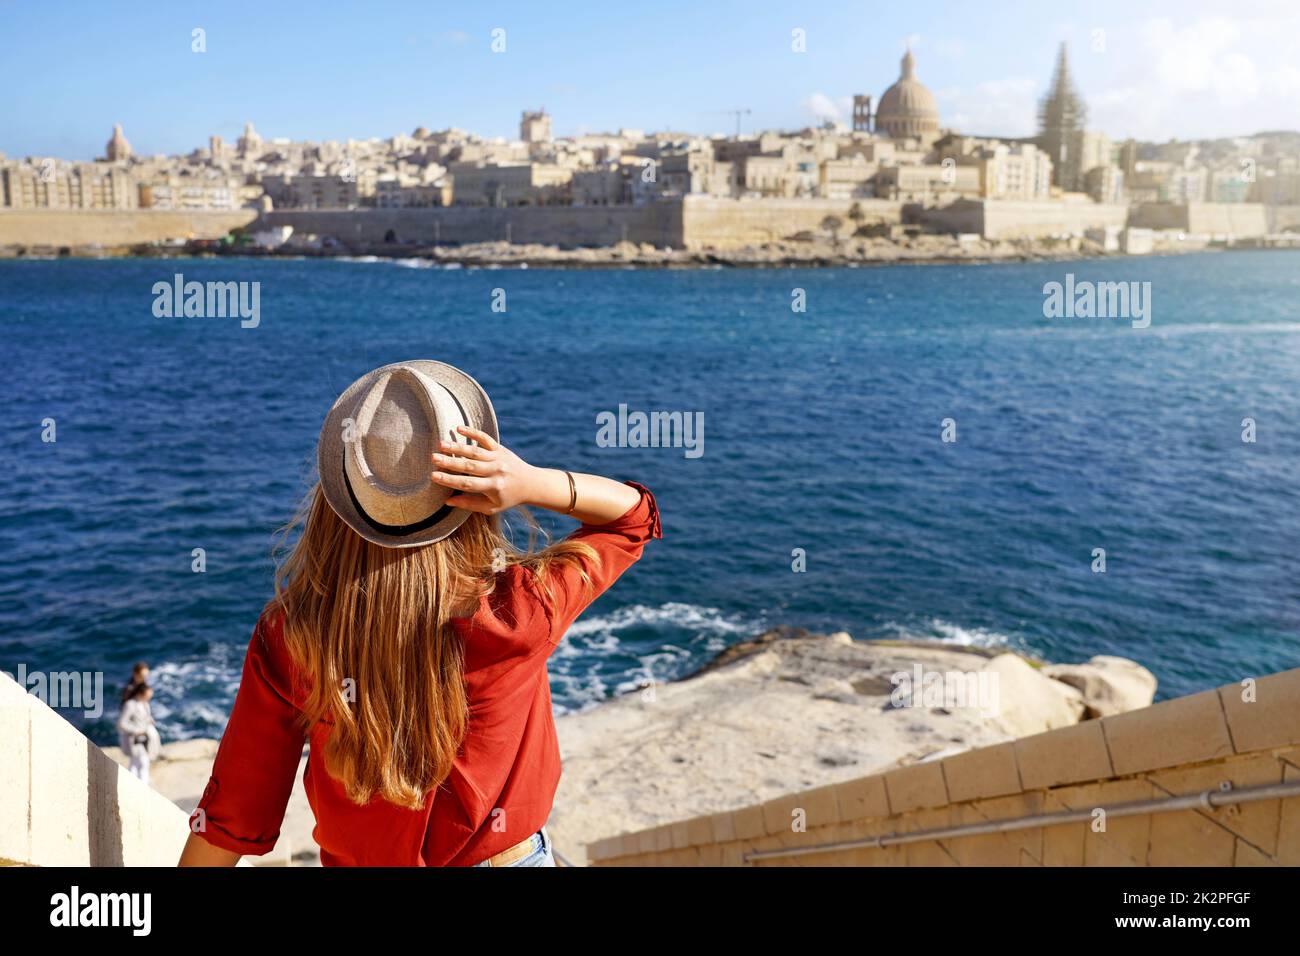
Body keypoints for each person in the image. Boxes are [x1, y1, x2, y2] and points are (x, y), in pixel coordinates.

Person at [178, 360, 661, 866]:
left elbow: (236, 812)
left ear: (336, 499)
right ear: (474, 490)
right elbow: (634, 517)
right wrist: (532, 482)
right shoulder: (520, 609)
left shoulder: (292, 635)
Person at [117, 682, 160, 785]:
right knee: (143, 762)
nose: (149, 698)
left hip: (144, 738)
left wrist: (149, 720)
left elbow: (144, 716)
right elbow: (121, 723)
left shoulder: (144, 703)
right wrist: (135, 730)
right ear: (140, 694)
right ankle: (143, 786)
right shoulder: (130, 705)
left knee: (135, 763)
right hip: (135, 739)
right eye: (147, 696)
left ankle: (131, 783)